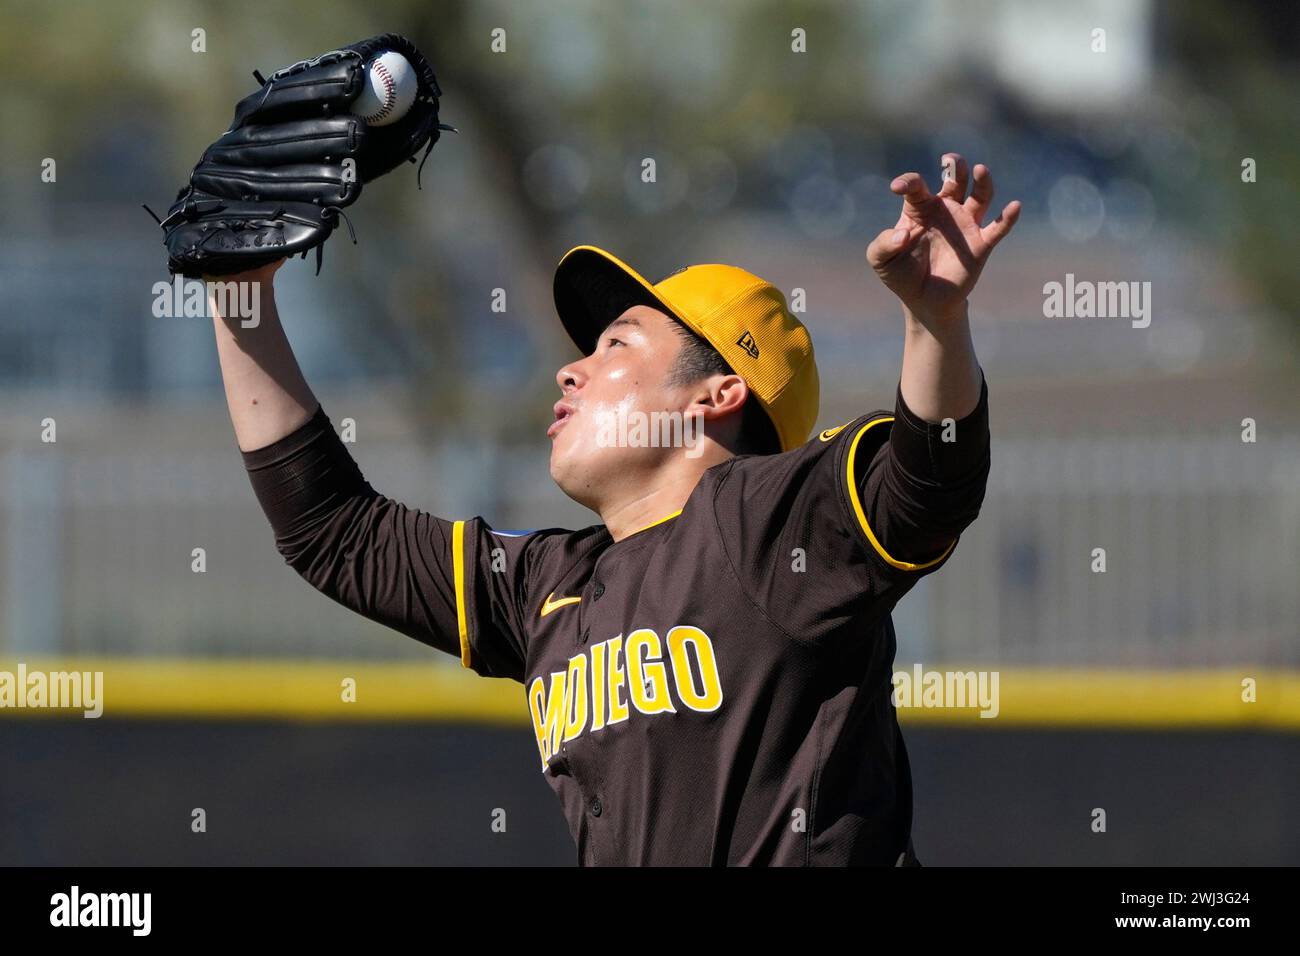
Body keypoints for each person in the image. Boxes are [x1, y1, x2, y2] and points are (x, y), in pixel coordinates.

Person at [208, 153, 1019, 865]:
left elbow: (927, 483)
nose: (571, 370)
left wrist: (936, 325)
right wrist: (238, 298)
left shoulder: (766, 523)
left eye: (617, 344)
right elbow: (334, 533)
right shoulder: (549, 588)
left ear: (718, 394)